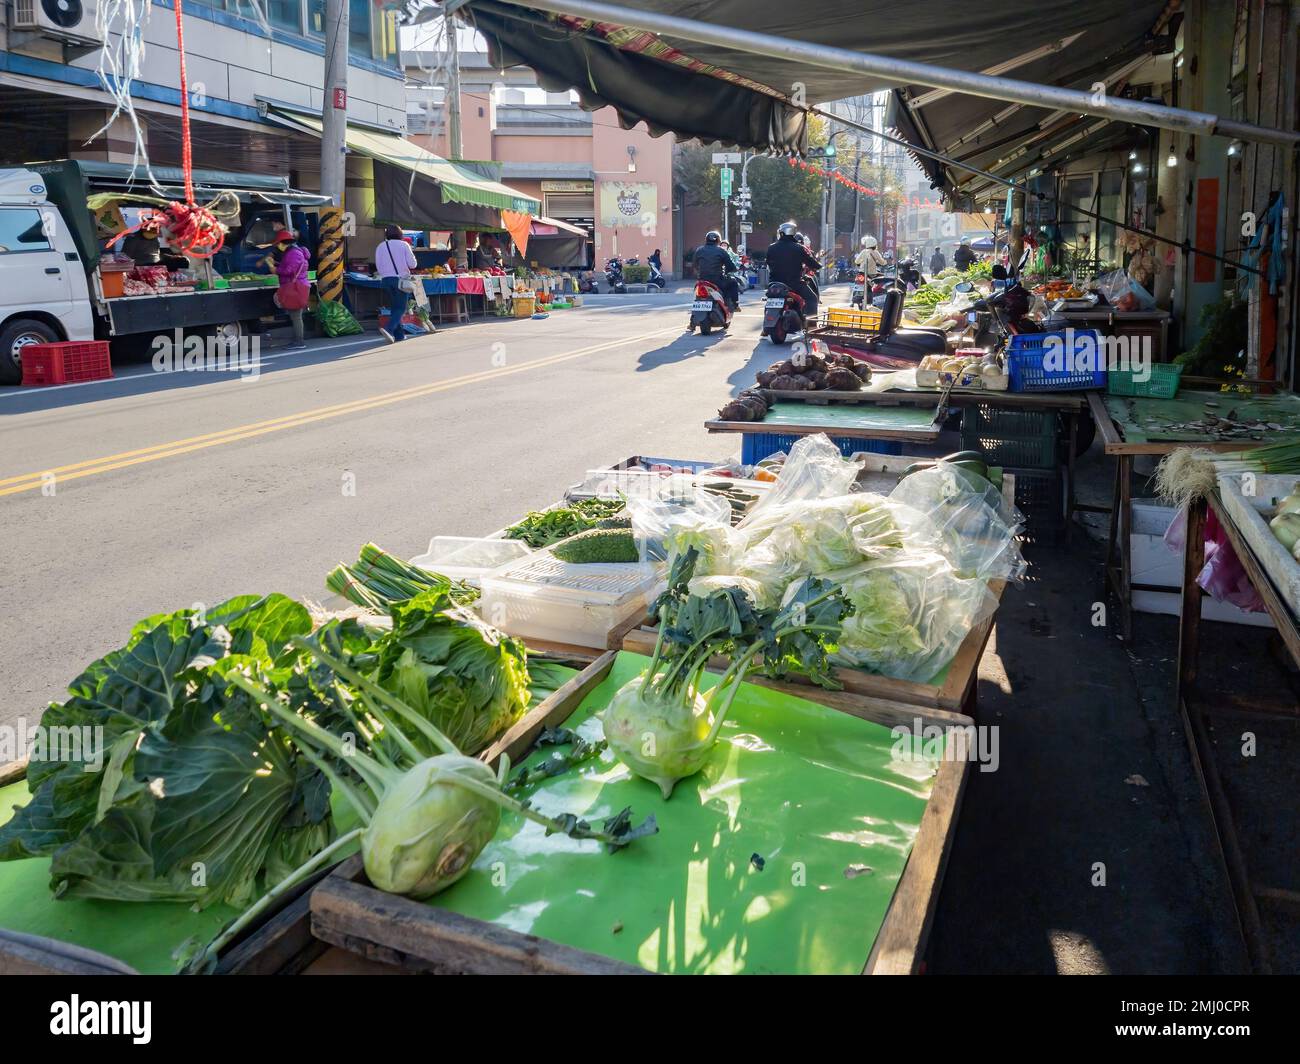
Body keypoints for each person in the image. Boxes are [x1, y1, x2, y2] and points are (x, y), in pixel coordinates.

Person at [375, 223, 421, 343]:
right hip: (400, 280)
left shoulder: (380, 246)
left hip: (385, 280)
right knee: (401, 308)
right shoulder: (404, 245)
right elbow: (413, 264)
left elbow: (379, 266)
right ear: (400, 234)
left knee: (395, 307)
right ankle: (388, 329)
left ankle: (399, 335)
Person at [766, 221, 823, 318]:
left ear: (782, 233)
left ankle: (766, 325)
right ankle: (812, 324)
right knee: (812, 299)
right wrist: (818, 266)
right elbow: (810, 261)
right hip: (794, 284)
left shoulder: (771, 247)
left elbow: (768, 262)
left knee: (769, 300)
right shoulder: (799, 248)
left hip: (774, 283)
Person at [272, 229, 310, 350]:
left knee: (296, 316)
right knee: (296, 315)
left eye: (279, 243)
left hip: (295, 287)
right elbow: (289, 267)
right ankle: (298, 340)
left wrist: (276, 270)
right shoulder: (293, 252)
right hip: (295, 286)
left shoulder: (294, 253)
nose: (278, 246)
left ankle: (299, 342)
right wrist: (277, 264)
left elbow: (289, 270)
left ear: (284, 242)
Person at [693, 230, 740, 311]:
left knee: (697, 294)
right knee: (733, 282)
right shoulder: (721, 251)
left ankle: (692, 319)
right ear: (718, 240)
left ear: (706, 239)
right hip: (717, 280)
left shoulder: (699, 250)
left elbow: (694, 264)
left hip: (702, 280)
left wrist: (699, 274)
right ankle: (735, 305)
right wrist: (732, 270)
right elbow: (730, 265)